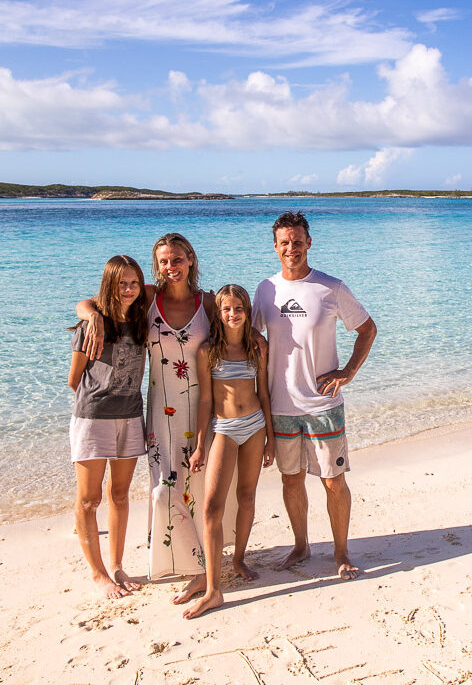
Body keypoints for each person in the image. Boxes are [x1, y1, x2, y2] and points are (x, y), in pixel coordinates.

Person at [77, 233, 239, 603]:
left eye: (177, 259)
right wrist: (92, 318)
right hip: (161, 411)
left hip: (204, 408)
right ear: (157, 266)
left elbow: (238, 332)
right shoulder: (148, 297)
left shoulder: (209, 303)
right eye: (164, 261)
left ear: (191, 260)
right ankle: (185, 562)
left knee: (201, 488)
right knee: (165, 489)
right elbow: (90, 301)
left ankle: (204, 567)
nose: (171, 267)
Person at [252, 211, 377, 580]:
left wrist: (348, 372)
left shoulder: (331, 288)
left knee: (333, 481)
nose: (292, 248)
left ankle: (341, 552)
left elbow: (367, 330)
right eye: (284, 242)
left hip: (324, 405)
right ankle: (301, 545)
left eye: (297, 241)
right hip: (281, 405)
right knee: (291, 479)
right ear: (275, 247)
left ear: (309, 242)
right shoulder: (266, 289)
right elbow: (248, 334)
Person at [183, 285, 275, 619]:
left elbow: (263, 392)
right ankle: (212, 587)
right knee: (211, 507)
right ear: (218, 313)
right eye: (226, 309)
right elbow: (206, 400)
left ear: (247, 311)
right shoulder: (209, 350)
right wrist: (199, 446)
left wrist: (272, 439)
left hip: (255, 426)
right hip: (224, 428)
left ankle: (238, 559)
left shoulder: (256, 347)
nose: (232, 314)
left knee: (247, 495)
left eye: (238, 308)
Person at [68, 255, 148, 599]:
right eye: (121, 284)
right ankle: (98, 574)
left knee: (119, 495)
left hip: (131, 416)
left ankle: (116, 565)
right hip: (93, 417)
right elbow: (75, 380)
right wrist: (91, 314)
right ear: (109, 285)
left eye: (133, 283)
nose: (128, 289)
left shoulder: (143, 319)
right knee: (89, 500)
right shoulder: (93, 324)